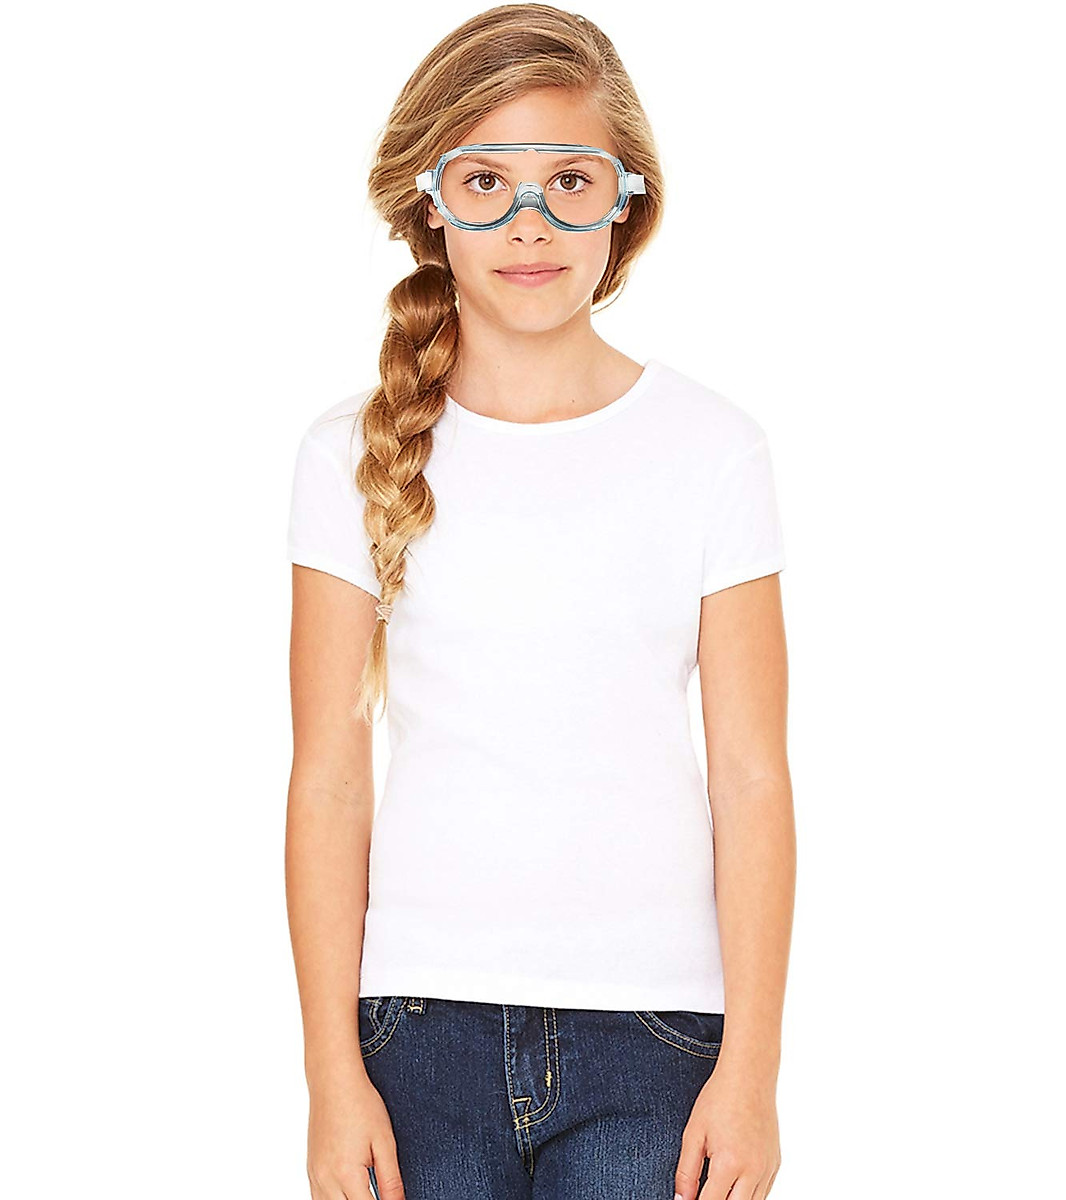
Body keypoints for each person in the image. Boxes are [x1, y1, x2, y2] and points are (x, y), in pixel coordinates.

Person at [285, 7, 794, 1199]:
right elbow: (329, 780)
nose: (532, 222)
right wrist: (329, 1077)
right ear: (430, 203)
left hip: (658, 1037)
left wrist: (754, 1075)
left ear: (626, 201)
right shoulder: (346, 455)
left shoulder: (713, 449)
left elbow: (752, 777)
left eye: (570, 180)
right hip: (415, 1032)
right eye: (487, 182)